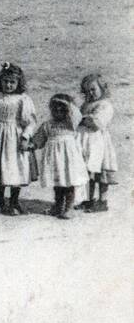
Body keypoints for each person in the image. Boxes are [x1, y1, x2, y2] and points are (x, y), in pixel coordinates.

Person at [0, 62, 36, 216]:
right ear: (0, 82)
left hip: (15, 137)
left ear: (19, 83)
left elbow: (30, 121)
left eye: (12, 82)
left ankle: (14, 202)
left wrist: (26, 136)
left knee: (15, 168)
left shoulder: (23, 99)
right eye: (5, 81)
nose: (8, 85)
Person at [30, 93, 87, 219]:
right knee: (58, 184)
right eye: (55, 107)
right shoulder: (48, 124)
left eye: (62, 108)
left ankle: (69, 208)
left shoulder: (71, 124)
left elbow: (77, 114)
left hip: (69, 160)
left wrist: (69, 102)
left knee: (69, 183)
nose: (58, 110)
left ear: (68, 110)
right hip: (54, 160)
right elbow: (39, 139)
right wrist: (32, 145)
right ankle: (58, 206)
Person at [77, 73, 117, 212]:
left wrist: (82, 119)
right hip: (86, 142)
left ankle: (102, 201)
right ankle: (89, 199)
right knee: (88, 172)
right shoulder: (86, 104)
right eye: (87, 91)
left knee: (101, 172)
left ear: (102, 88)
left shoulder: (105, 105)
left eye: (93, 89)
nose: (90, 93)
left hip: (100, 143)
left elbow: (97, 123)